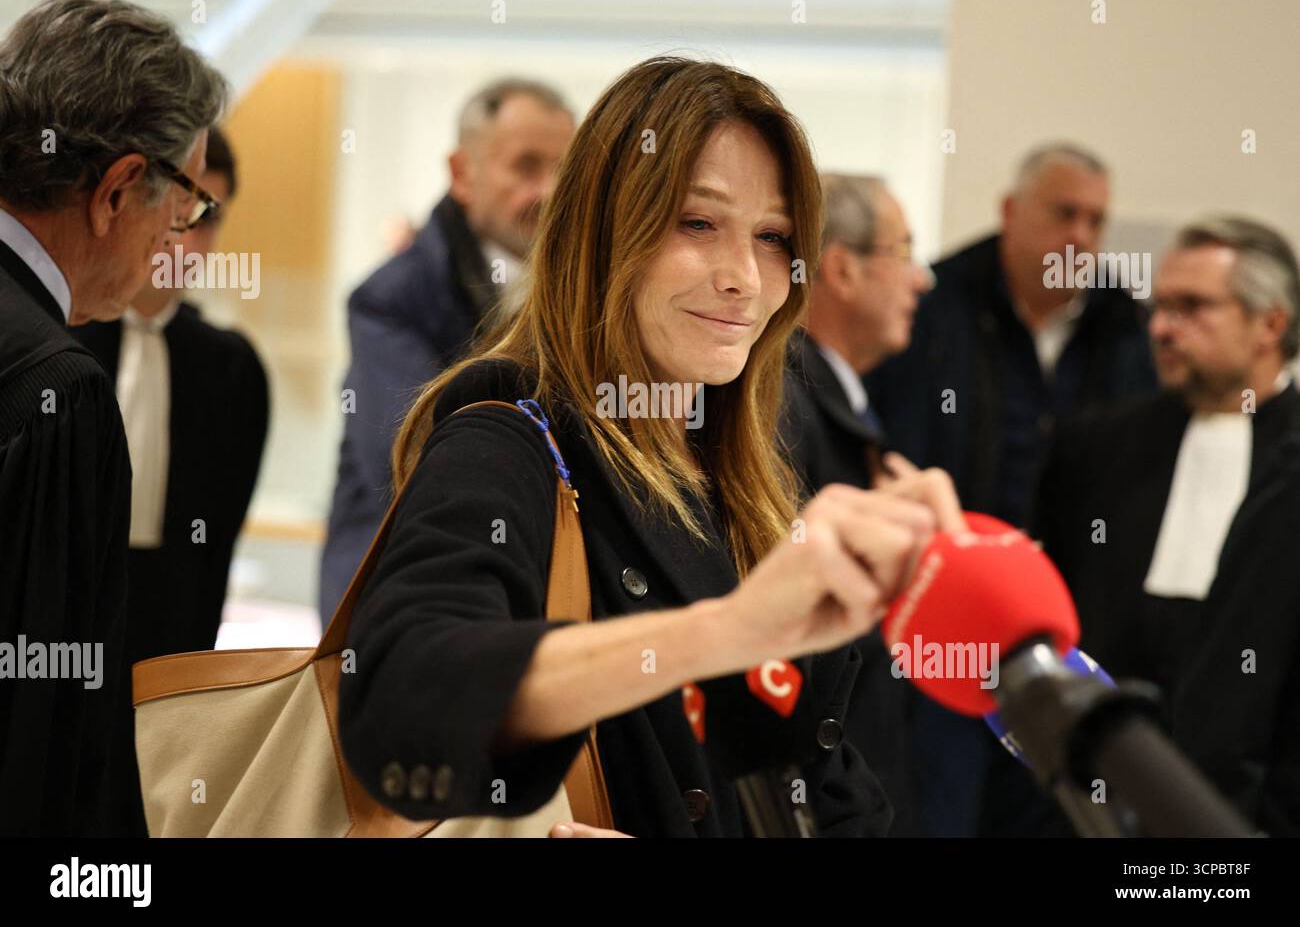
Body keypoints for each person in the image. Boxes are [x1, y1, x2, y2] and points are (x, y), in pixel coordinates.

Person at [338, 56, 966, 837]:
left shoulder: (747, 481)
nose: (743, 276)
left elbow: (827, 794)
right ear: (603, 233)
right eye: (696, 223)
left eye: (772, 236)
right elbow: (401, 702)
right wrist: (730, 630)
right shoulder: (504, 434)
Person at [867, 143, 1157, 836]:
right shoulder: (936, 306)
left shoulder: (1125, 326)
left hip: (1068, 636)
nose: (1081, 236)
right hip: (947, 629)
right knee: (938, 813)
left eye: (1096, 220)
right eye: (1064, 213)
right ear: (1009, 212)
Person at [0, 0, 226, 835]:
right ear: (119, 189)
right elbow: (51, 732)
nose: (169, 248)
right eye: (179, 216)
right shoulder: (59, 388)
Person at [1034, 216, 1300, 835]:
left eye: (1192, 308)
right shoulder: (1099, 443)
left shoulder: (1292, 456)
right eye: (1159, 307)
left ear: (1270, 324)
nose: (1159, 328)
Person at [319, 78, 575, 623]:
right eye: (526, 166)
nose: (550, 190)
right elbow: (406, 461)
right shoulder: (391, 298)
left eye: (565, 169)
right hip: (401, 605)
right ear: (463, 173)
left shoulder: (574, 292)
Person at [72, 125, 269, 664]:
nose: (185, 238)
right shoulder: (58, 344)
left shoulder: (231, 369)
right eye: (178, 209)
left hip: (168, 639)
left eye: (210, 217)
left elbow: (216, 549)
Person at [781, 173, 933, 834]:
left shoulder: (830, 394)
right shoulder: (785, 400)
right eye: (905, 251)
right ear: (841, 268)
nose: (922, 279)